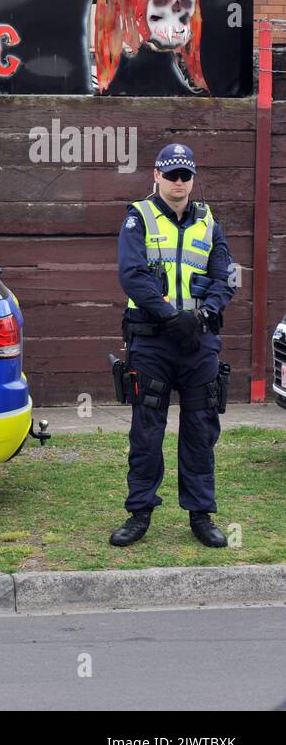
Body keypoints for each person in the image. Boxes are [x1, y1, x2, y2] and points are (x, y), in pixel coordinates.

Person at [111, 142, 236, 549]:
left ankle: (201, 515)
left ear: (193, 178)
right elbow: (132, 275)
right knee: (147, 430)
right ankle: (139, 513)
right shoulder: (139, 217)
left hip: (199, 343)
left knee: (200, 431)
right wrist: (170, 316)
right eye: (171, 175)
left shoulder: (209, 221)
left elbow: (226, 278)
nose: (178, 182)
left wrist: (201, 316)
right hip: (152, 342)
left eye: (185, 176)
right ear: (156, 176)